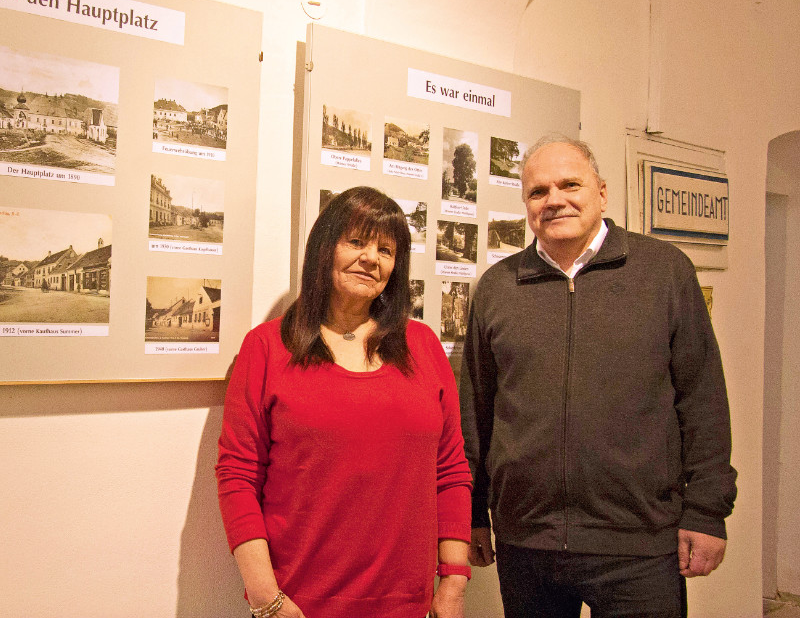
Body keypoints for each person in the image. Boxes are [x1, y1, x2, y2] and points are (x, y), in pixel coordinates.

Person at [460, 135, 737, 617]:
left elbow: (702, 401)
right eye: (538, 191)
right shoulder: (499, 288)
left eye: (570, 184)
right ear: (526, 203)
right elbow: (477, 412)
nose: (555, 200)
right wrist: (470, 514)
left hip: (639, 543)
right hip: (528, 544)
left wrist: (708, 512)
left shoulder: (664, 272)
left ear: (602, 193)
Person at [216, 186, 472, 618]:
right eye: (356, 241)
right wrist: (266, 598)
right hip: (297, 605)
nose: (372, 258)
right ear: (324, 248)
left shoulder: (424, 347)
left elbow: (450, 472)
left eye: (386, 249)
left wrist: (453, 583)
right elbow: (238, 475)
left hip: (408, 606)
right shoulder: (267, 347)